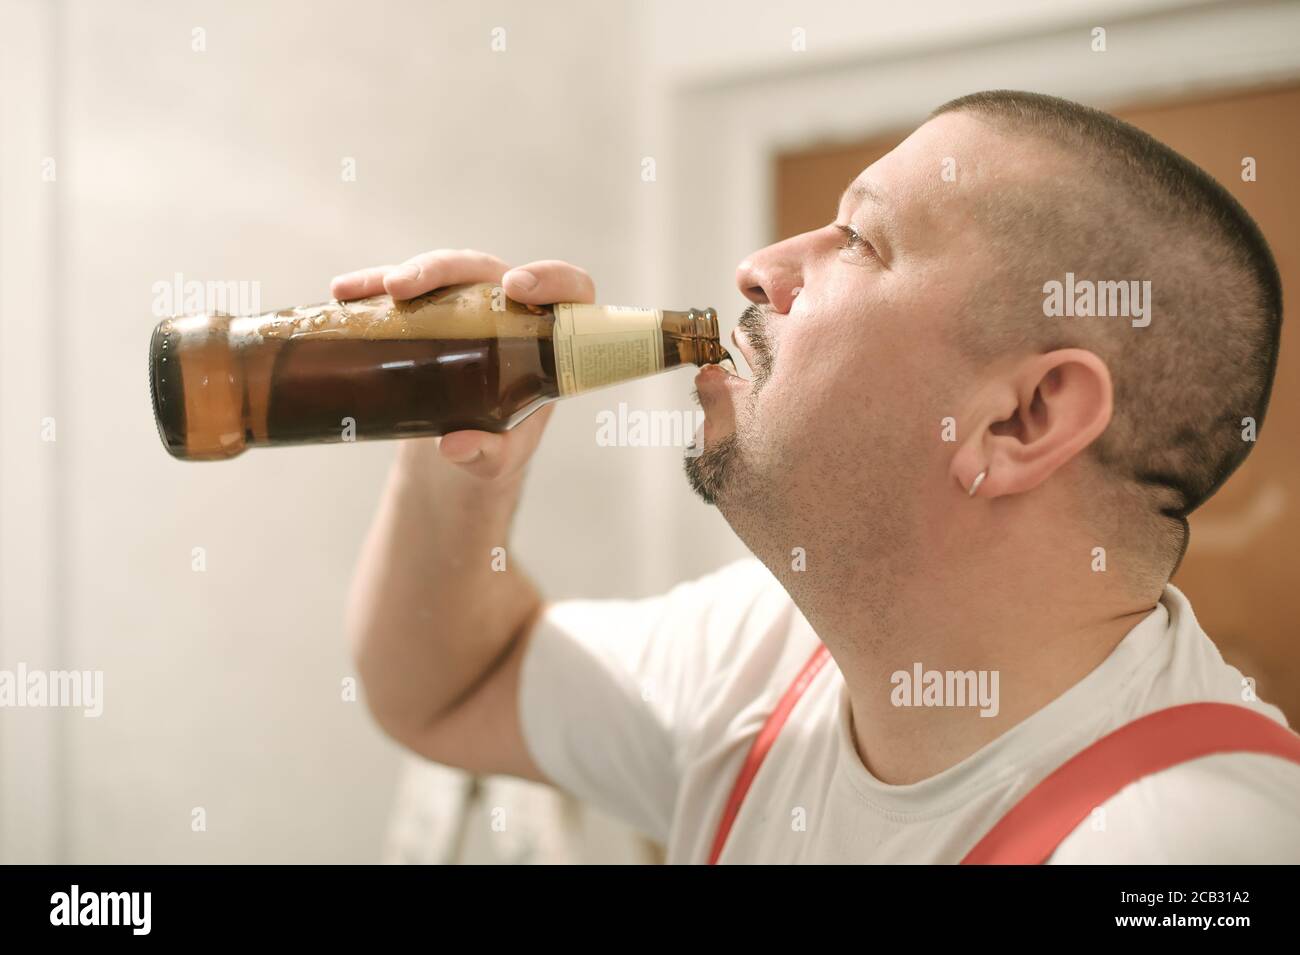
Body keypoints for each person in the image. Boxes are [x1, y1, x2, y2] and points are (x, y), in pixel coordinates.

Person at [340, 90, 1300, 863]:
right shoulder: (765, 647)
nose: (759, 270)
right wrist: (459, 462)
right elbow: (451, 688)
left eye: (858, 240)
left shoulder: (1193, 848)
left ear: (1024, 416)